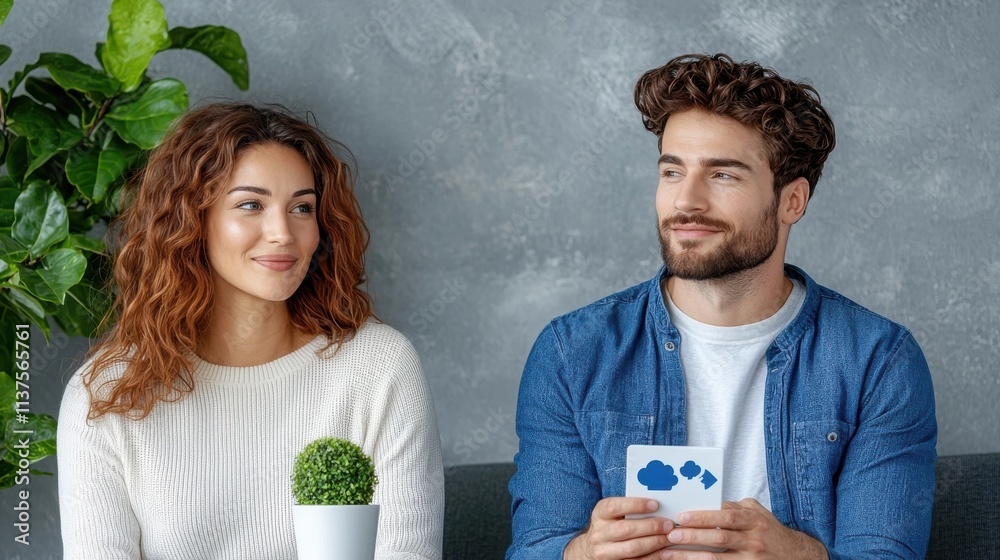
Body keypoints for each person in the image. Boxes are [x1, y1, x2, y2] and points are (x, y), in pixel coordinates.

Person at [507, 53, 936, 560]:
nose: (686, 201)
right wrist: (581, 553)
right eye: (672, 171)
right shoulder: (571, 353)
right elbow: (533, 549)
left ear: (792, 201)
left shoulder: (878, 362)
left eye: (723, 176)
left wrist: (799, 555)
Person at [58, 103, 444, 559]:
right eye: (250, 205)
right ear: (192, 221)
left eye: (302, 207)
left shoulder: (380, 370)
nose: (283, 232)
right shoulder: (108, 395)